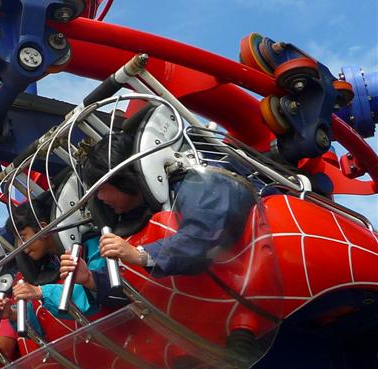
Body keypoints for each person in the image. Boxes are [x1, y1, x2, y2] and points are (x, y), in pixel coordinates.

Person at [60, 128, 257, 302]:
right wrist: (90, 279)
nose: (100, 198)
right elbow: (139, 292)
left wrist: (142, 255)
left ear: (125, 177)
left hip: (256, 282)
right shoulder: (134, 223)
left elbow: (206, 233)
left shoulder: (195, 184)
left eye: (102, 188)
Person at [0, 195, 104, 338]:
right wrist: (11, 314)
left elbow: (94, 292)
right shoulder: (44, 271)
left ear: (43, 228)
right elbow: (38, 329)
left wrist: (41, 292)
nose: (21, 248)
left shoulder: (92, 246)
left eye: (23, 238)